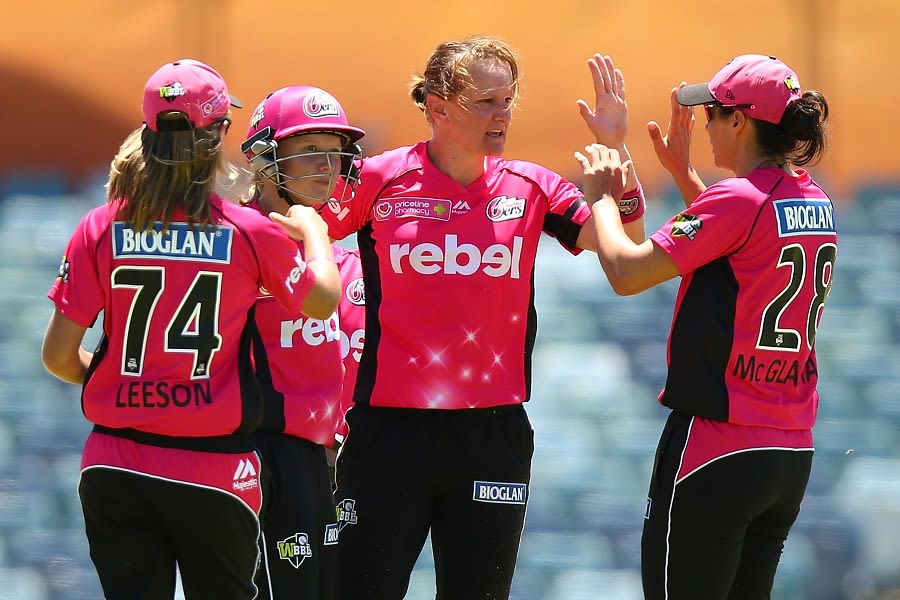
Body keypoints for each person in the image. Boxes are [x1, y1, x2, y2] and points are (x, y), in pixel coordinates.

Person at [319, 36, 646, 599]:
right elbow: (298, 239)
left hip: (492, 435)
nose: (502, 116)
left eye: (508, 101)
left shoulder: (533, 186)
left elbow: (628, 239)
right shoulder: (377, 179)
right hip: (386, 433)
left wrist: (616, 150)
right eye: (486, 103)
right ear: (437, 108)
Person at [40, 59, 341, 600]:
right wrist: (315, 234)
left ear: (149, 130)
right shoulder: (245, 230)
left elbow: (59, 357)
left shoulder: (100, 226)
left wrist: (121, 387)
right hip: (213, 468)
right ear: (222, 130)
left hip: (112, 464)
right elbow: (320, 301)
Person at [577, 53, 836, 599]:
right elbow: (745, 245)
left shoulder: (738, 199)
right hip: (788, 452)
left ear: (739, 121)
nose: (705, 123)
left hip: (717, 441)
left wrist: (600, 196)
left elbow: (625, 272)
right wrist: (683, 175)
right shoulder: (814, 197)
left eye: (713, 113)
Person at [239, 84, 366, 599]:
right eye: (308, 149)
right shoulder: (235, 247)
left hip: (327, 470)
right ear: (267, 156)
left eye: (333, 150)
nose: (326, 165)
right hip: (258, 459)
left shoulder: (352, 264)